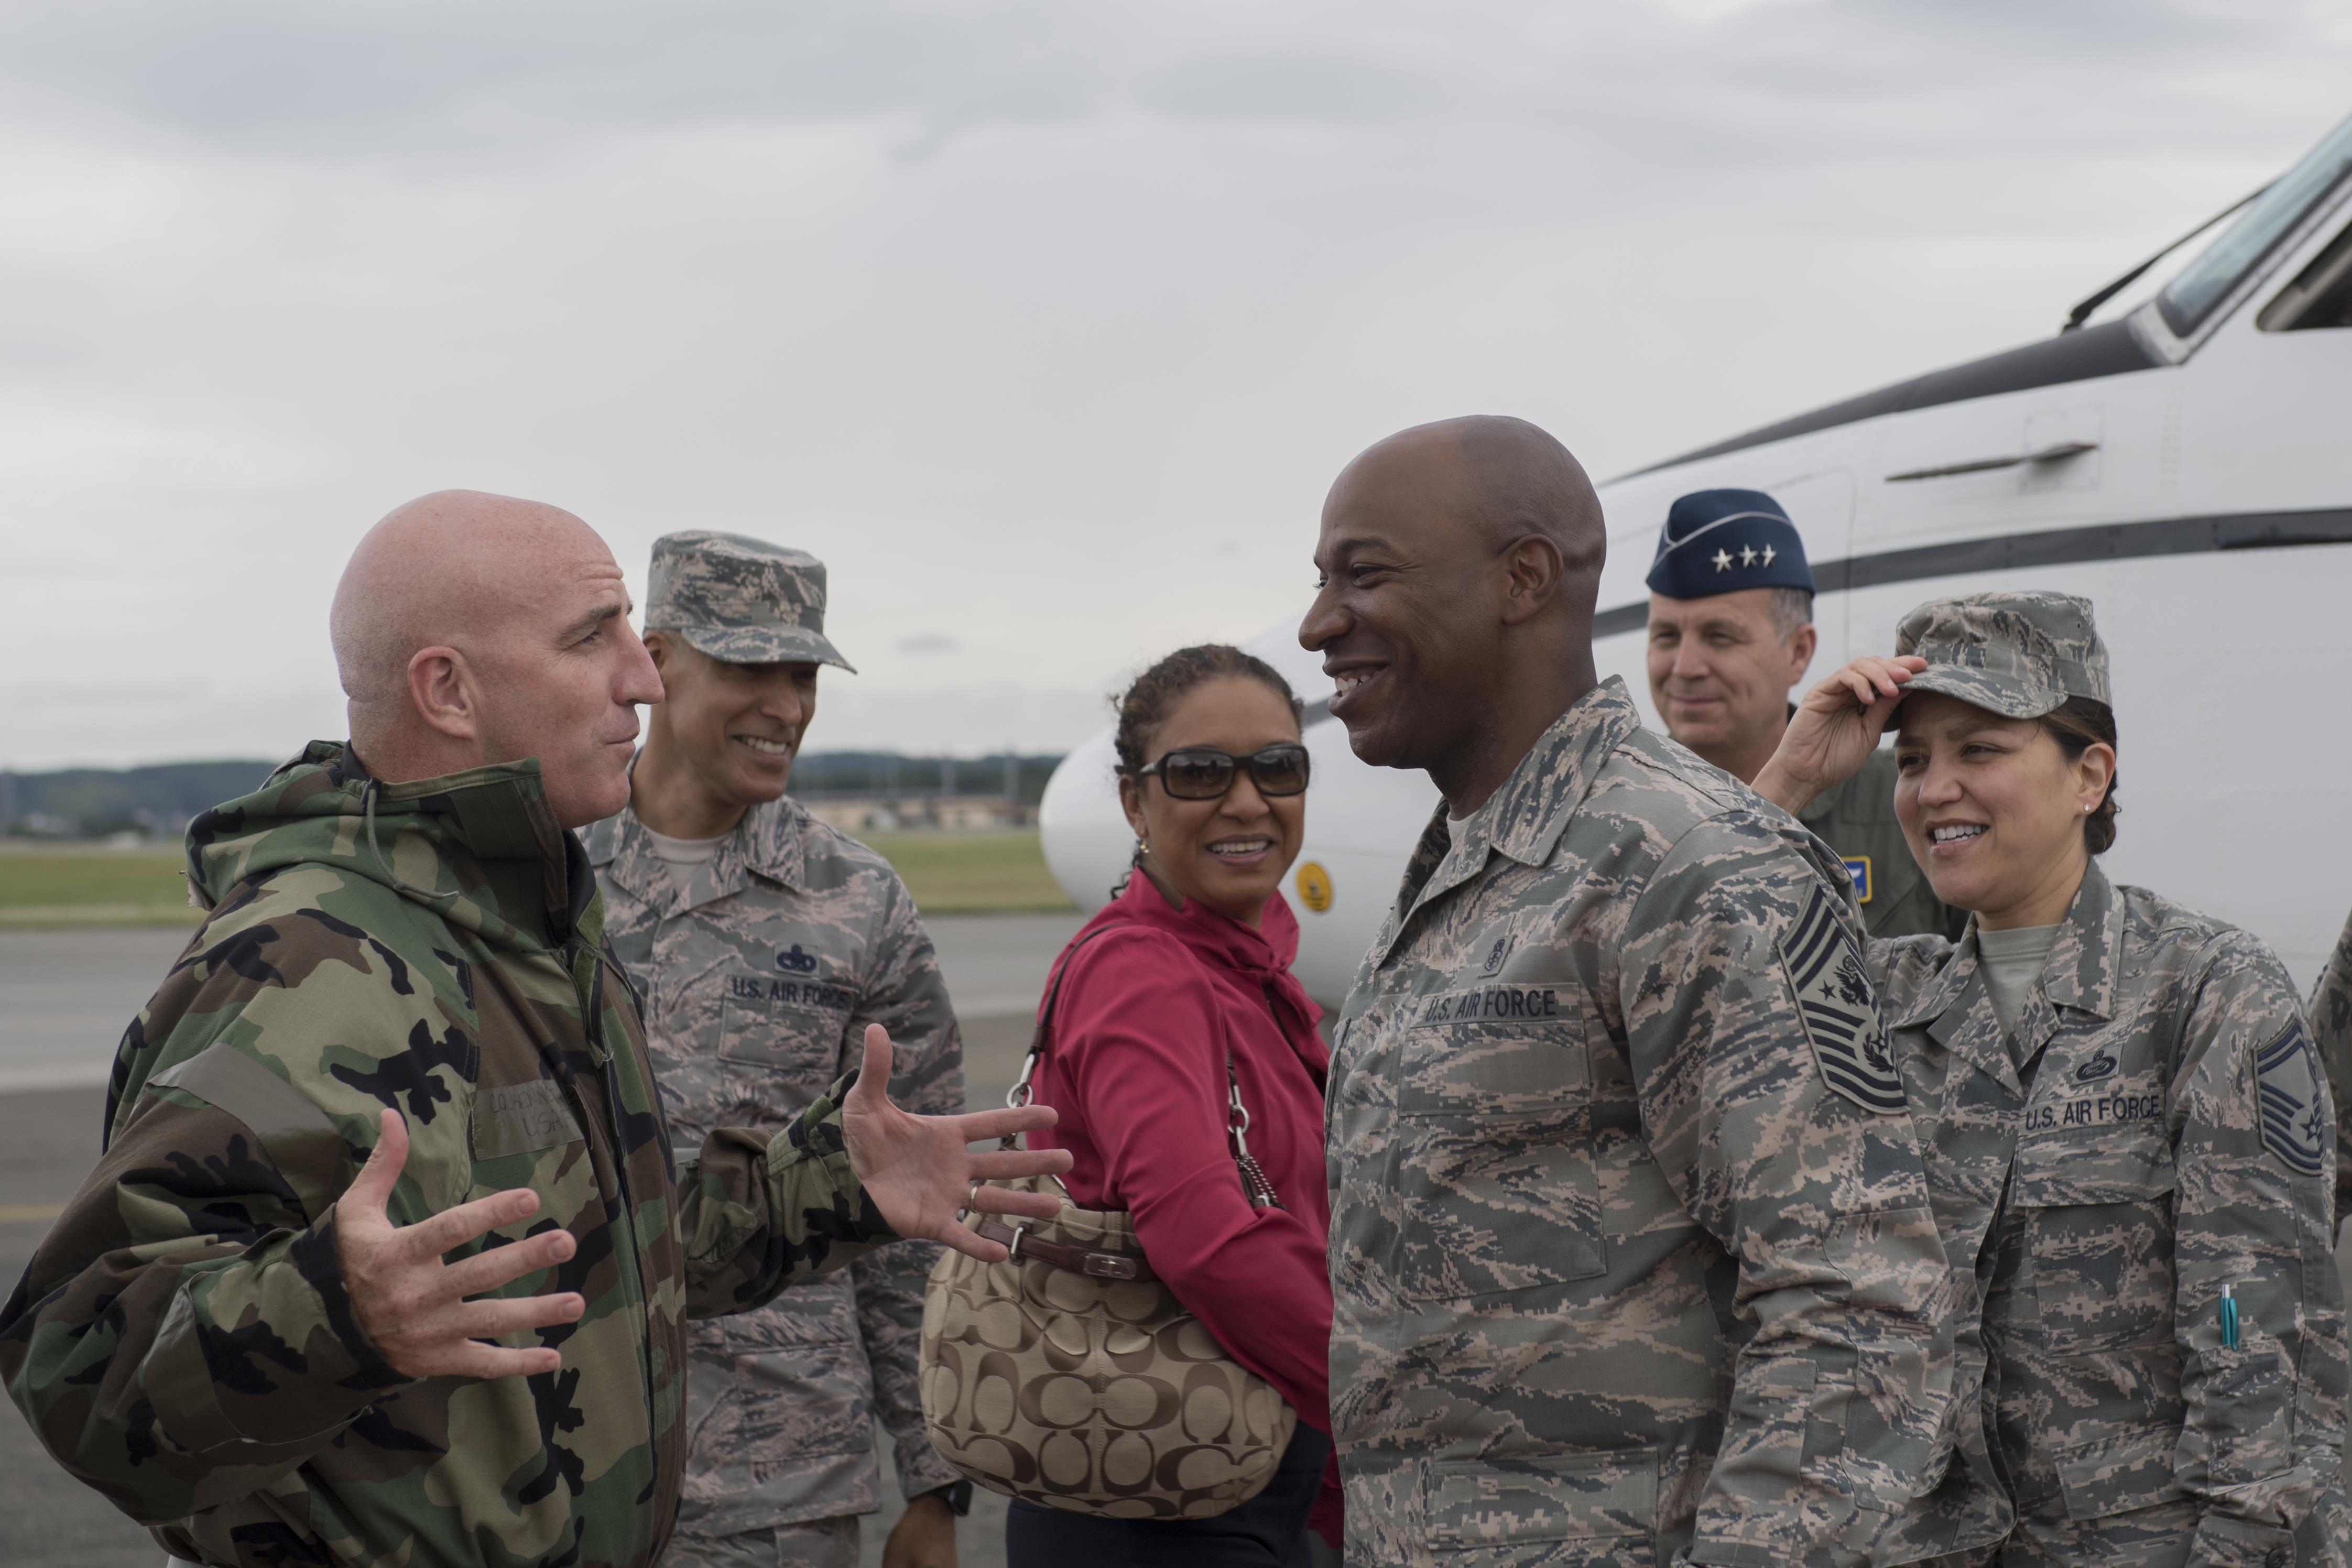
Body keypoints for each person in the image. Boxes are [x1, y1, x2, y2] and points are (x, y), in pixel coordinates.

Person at [0, 491, 1070, 1568]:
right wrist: (332, 1310)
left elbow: (611, 1250)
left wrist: (834, 1184)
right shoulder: (308, 954)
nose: (642, 678)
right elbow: (78, 1358)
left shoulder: (535, 926)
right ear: (449, 690)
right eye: (590, 637)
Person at [1297, 416, 1953, 1566]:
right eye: (1321, 581)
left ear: (1524, 578)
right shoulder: (1474, 859)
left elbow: (1857, 1300)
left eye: (1366, 573)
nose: (1320, 623)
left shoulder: (1694, 863)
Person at [1753, 591, 2350, 1565]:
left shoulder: (2200, 993)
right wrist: (1785, 780)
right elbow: (1663, 951)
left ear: (2089, 774)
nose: (1933, 787)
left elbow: (2257, 1338)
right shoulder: (1877, 997)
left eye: (1978, 750)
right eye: (1909, 761)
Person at [584, 531, 969, 1568]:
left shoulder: (858, 902)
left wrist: (932, 1480)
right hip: (555, 1461)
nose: (787, 706)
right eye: (751, 668)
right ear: (657, 659)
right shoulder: (541, 873)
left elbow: (913, 1212)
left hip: (779, 1478)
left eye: (802, 675)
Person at [1005, 644, 1341, 1566]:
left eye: (1277, 766)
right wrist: (1390, 1390)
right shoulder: (1141, 974)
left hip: (1242, 1473)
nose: (1245, 800)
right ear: (1133, 802)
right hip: (1159, 1501)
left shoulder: (1248, 967)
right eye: (1198, 772)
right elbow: (1203, 1235)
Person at [1645, 486, 1961, 940]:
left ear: (1798, 651)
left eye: (1720, 637)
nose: (1685, 667)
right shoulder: (1615, 813)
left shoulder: (1909, 800)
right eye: (1666, 636)